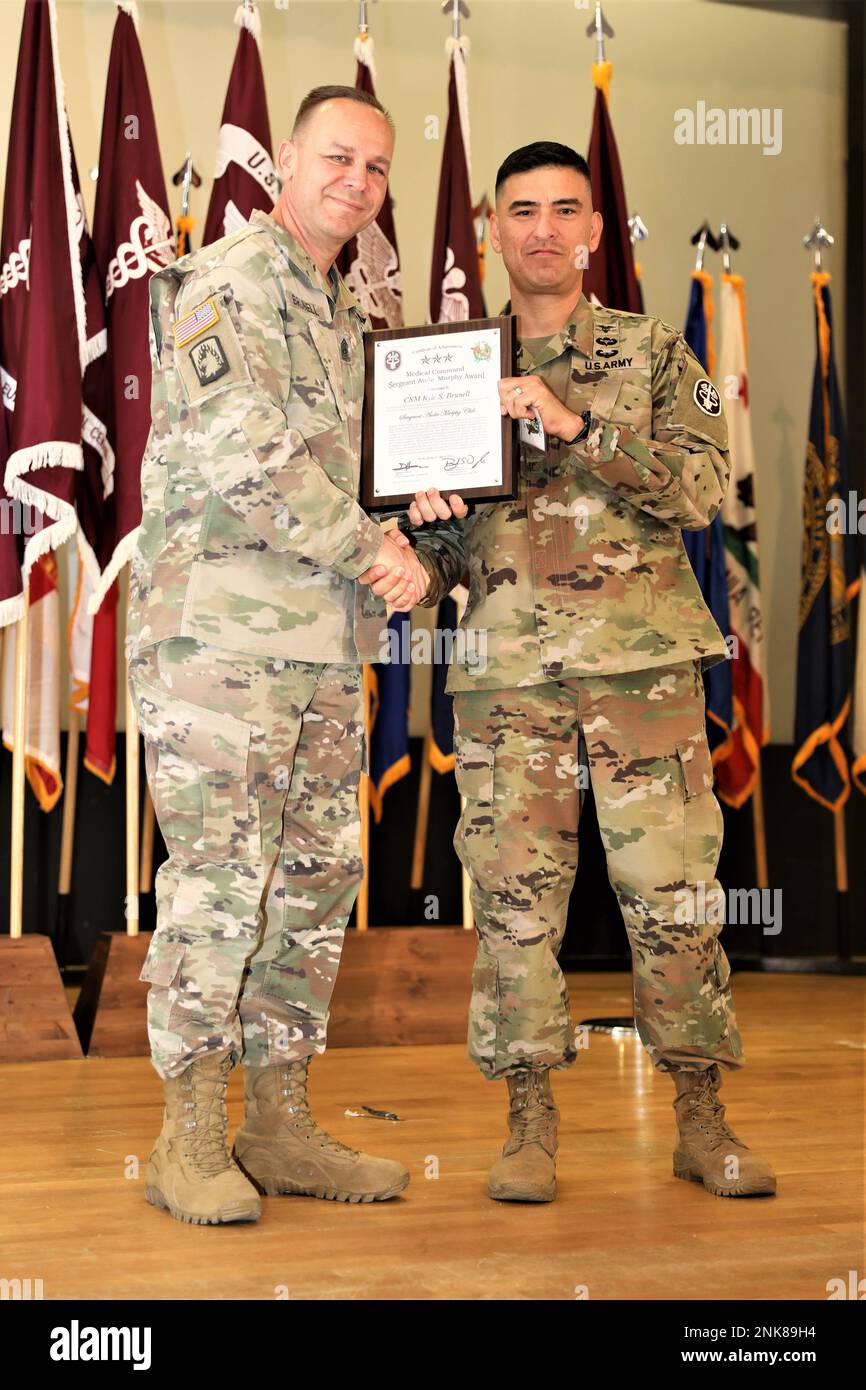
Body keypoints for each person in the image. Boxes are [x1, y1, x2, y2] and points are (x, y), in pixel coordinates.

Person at [401, 141, 776, 1203]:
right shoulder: (443, 366)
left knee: (671, 894)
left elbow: (701, 491)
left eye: (565, 210)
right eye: (522, 211)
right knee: (517, 903)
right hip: (504, 672)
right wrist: (423, 527)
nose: (543, 230)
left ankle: (699, 1112)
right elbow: (433, 557)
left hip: (640, 671)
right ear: (493, 227)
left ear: (595, 230)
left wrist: (574, 427)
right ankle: (526, 1118)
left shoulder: (653, 353)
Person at [127, 85, 430, 1224]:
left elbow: (347, 467)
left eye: (377, 169)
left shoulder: (339, 311)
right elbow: (247, 455)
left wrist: (412, 513)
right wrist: (373, 549)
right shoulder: (226, 283)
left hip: (316, 643)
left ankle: (278, 1120)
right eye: (338, 158)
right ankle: (188, 1135)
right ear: (287, 160)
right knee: (217, 884)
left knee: (310, 885)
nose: (356, 182)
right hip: (219, 640)